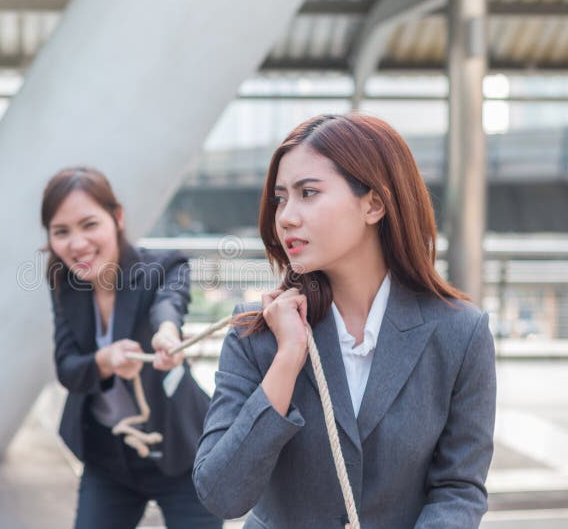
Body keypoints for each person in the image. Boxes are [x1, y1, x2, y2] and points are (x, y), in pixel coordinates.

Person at [192, 113, 497, 528]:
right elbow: (221, 493)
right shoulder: (256, 332)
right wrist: (287, 359)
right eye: (281, 198)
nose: (286, 216)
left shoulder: (460, 332)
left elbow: (458, 489)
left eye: (309, 193)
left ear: (373, 204)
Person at [42, 166, 221, 529]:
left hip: (183, 452)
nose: (77, 244)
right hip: (108, 459)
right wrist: (105, 361)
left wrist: (167, 334)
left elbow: (168, 304)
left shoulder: (163, 266)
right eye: (62, 231)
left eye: (89, 224)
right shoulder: (63, 281)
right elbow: (68, 369)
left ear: (117, 217)